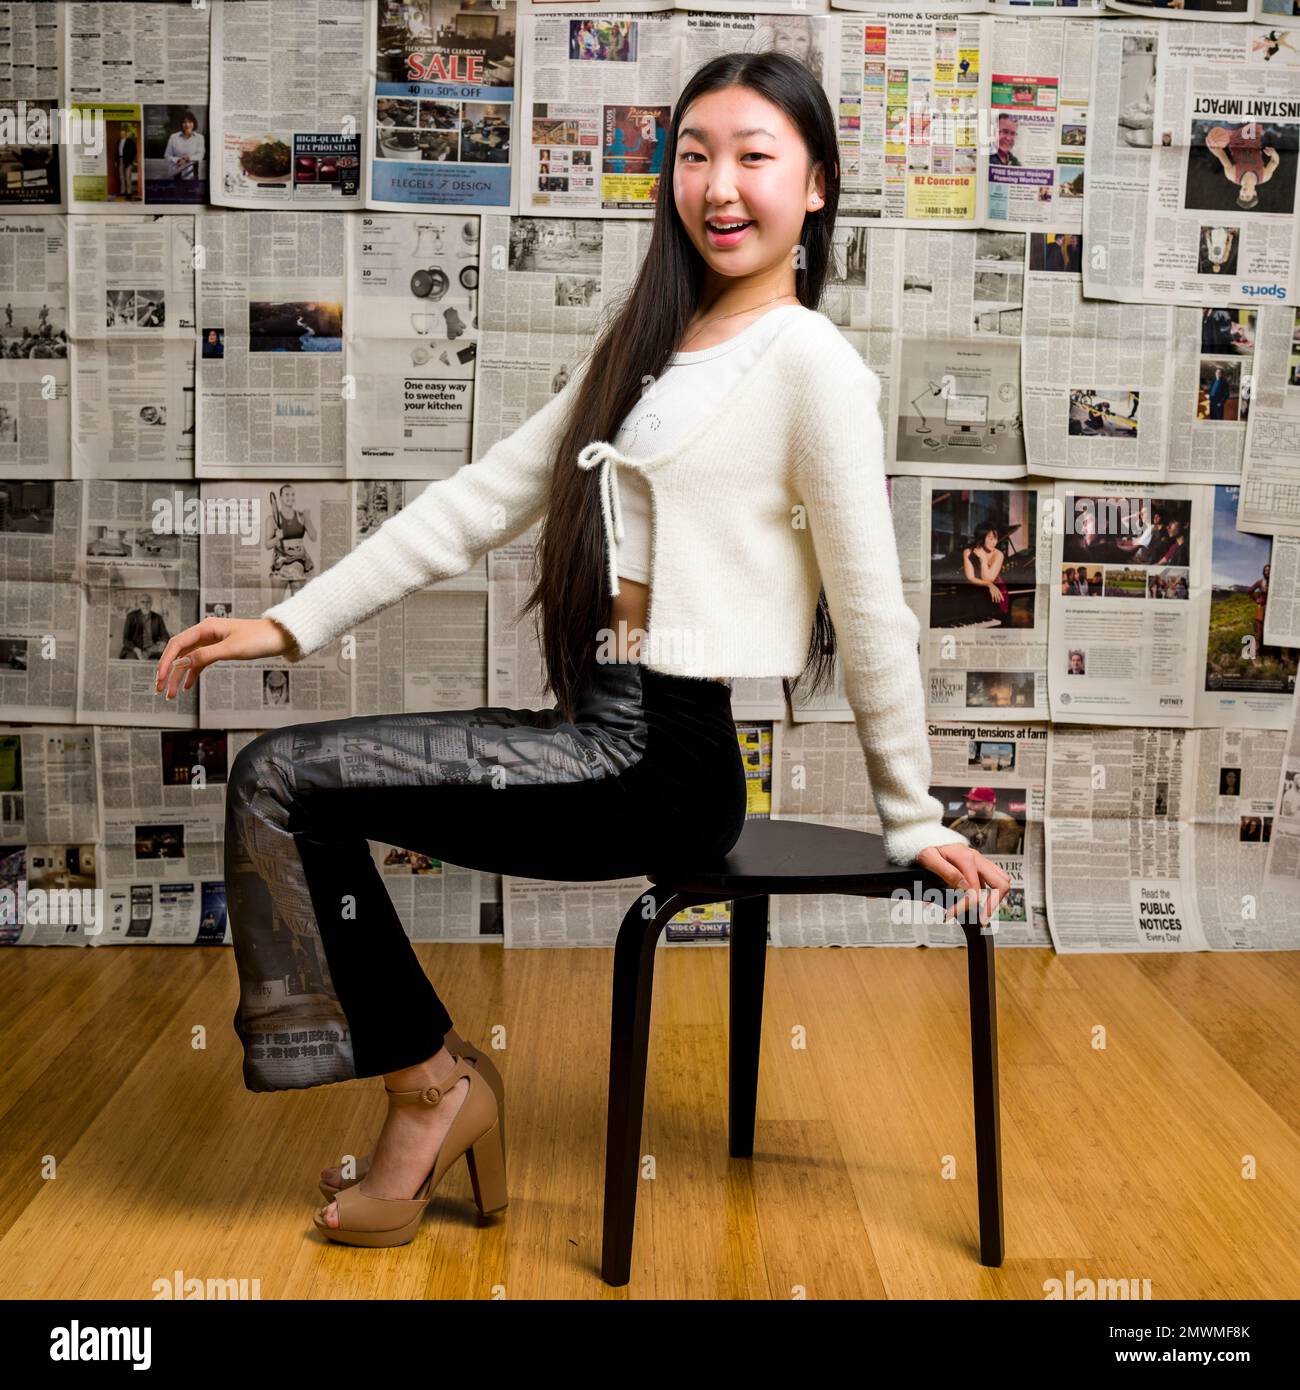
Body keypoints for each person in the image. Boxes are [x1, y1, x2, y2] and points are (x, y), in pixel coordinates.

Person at [154, 51, 1009, 1250]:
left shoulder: (811, 363)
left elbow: (871, 607)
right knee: (287, 784)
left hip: (657, 766)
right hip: (595, 738)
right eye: (696, 154)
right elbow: (479, 497)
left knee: (281, 781)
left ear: (815, 184)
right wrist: (294, 620)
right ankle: (429, 1085)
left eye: (755, 156)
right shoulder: (654, 343)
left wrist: (911, 817)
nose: (719, 185)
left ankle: (430, 1097)